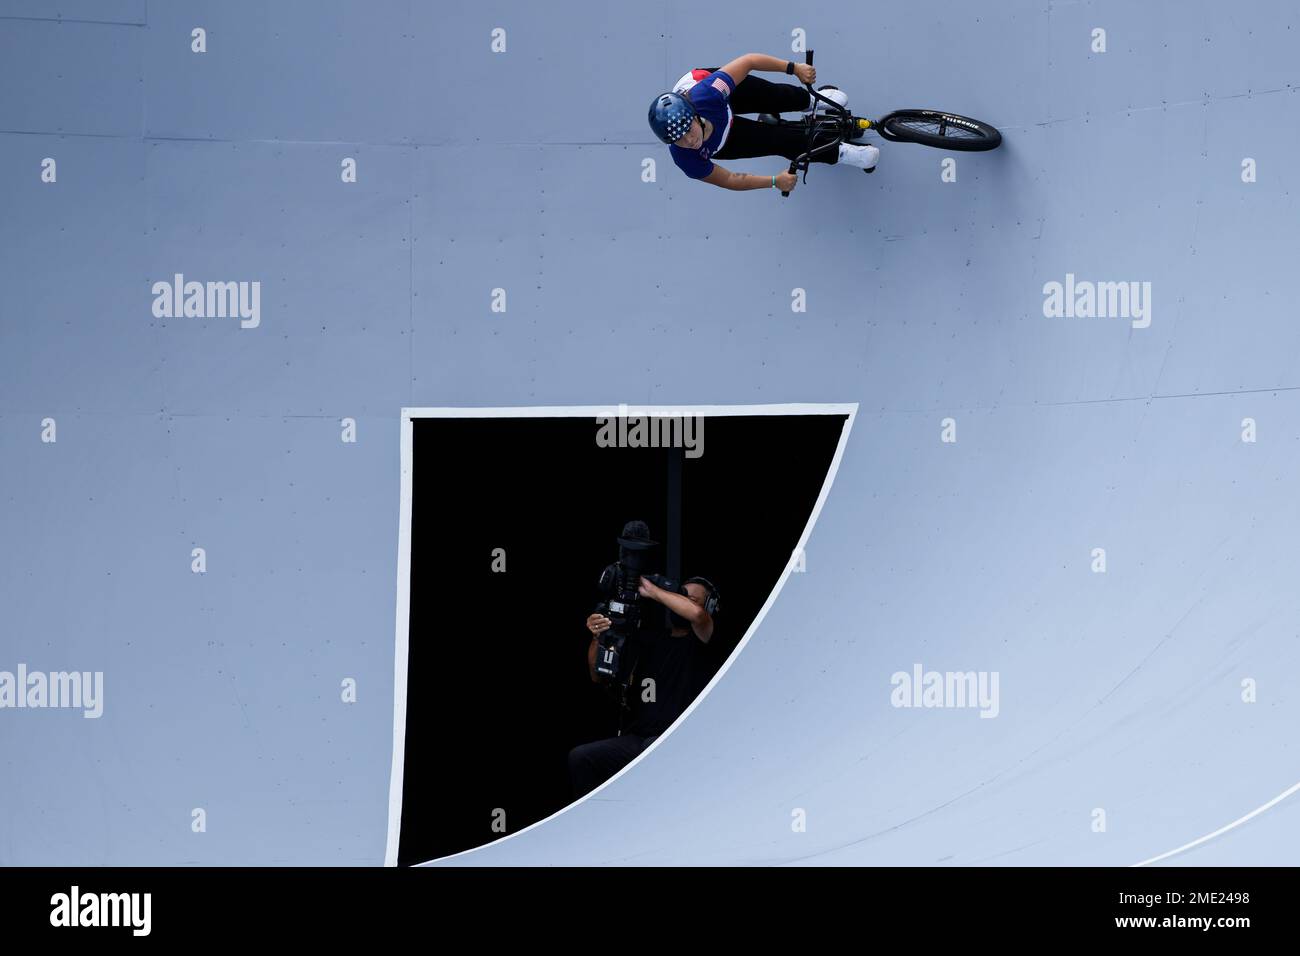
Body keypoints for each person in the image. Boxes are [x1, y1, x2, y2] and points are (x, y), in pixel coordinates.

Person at [568, 571, 719, 799]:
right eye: (680, 596)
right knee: (581, 757)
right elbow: (597, 675)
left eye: (691, 598)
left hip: (682, 741)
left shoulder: (703, 640)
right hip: (638, 738)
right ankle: (593, 822)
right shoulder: (649, 640)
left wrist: (654, 591)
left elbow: (698, 616)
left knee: (652, 749)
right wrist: (598, 636)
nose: (684, 601)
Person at [647, 52, 880, 192]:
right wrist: (773, 181)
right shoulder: (686, 158)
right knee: (778, 142)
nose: (691, 141)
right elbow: (730, 179)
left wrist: (794, 68)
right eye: (681, 140)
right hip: (724, 140)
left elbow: (748, 62)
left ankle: (811, 100)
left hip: (720, 101)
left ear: (695, 116)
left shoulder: (709, 92)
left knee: (772, 96)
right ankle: (842, 154)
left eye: (689, 130)